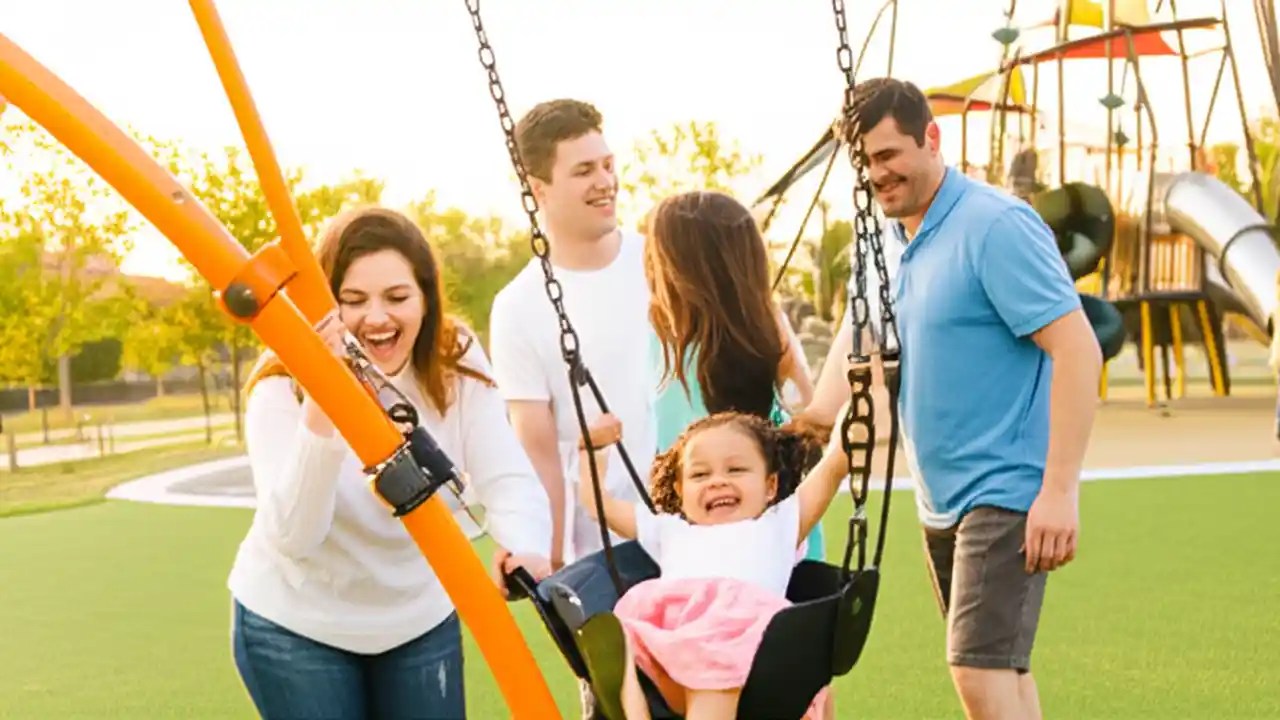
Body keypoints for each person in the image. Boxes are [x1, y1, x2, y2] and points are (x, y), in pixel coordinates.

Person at [802, 78, 1102, 720]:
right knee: (1003, 671)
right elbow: (852, 354)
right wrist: (804, 424)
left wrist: (1058, 490)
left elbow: (1078, 350)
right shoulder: (881, 241)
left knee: (976, 668)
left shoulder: (995, 226)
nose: (877, 175)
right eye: (863, 164)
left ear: (931, 139)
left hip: (1007, 486)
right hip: (941, 497)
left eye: (888, 156)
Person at [227, 207, 553, 719]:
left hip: (417, 618)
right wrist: (322, 404)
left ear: (426, 299)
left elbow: (504, 473)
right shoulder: (278, 387)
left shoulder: (454, 361)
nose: (376, 318)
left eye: (397, 297)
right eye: (352, 301)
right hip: (298, 625)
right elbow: (294, 538)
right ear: (325, 306)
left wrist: (526, 544)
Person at [572, 409, 850, 720]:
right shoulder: (669, 529)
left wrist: (862, 391)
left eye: (735, 469)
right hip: (671, 650)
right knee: (632, 637)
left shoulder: (780, 524)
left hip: (749, 652)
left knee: (717, 656)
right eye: (700, 474)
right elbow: (599, 504)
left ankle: (631, 693)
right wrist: (592, 452)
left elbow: (834, 466)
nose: (717, 481)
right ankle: (628, 690)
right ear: (680, 490)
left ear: (770, 485)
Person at [488, 98, 657, 570]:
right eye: (584, 170)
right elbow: (537, 453)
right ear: (538, 190)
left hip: (696, 529)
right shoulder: (517, 307)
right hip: (606, 555)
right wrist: (552, 559)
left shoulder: (662, 264)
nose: (605, 182)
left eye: (607, 164)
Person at [643, 189, 825, 563]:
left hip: (713, 551)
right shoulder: (767, 332)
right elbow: (811, 419)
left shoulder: (668, 350)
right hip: (782, 537)